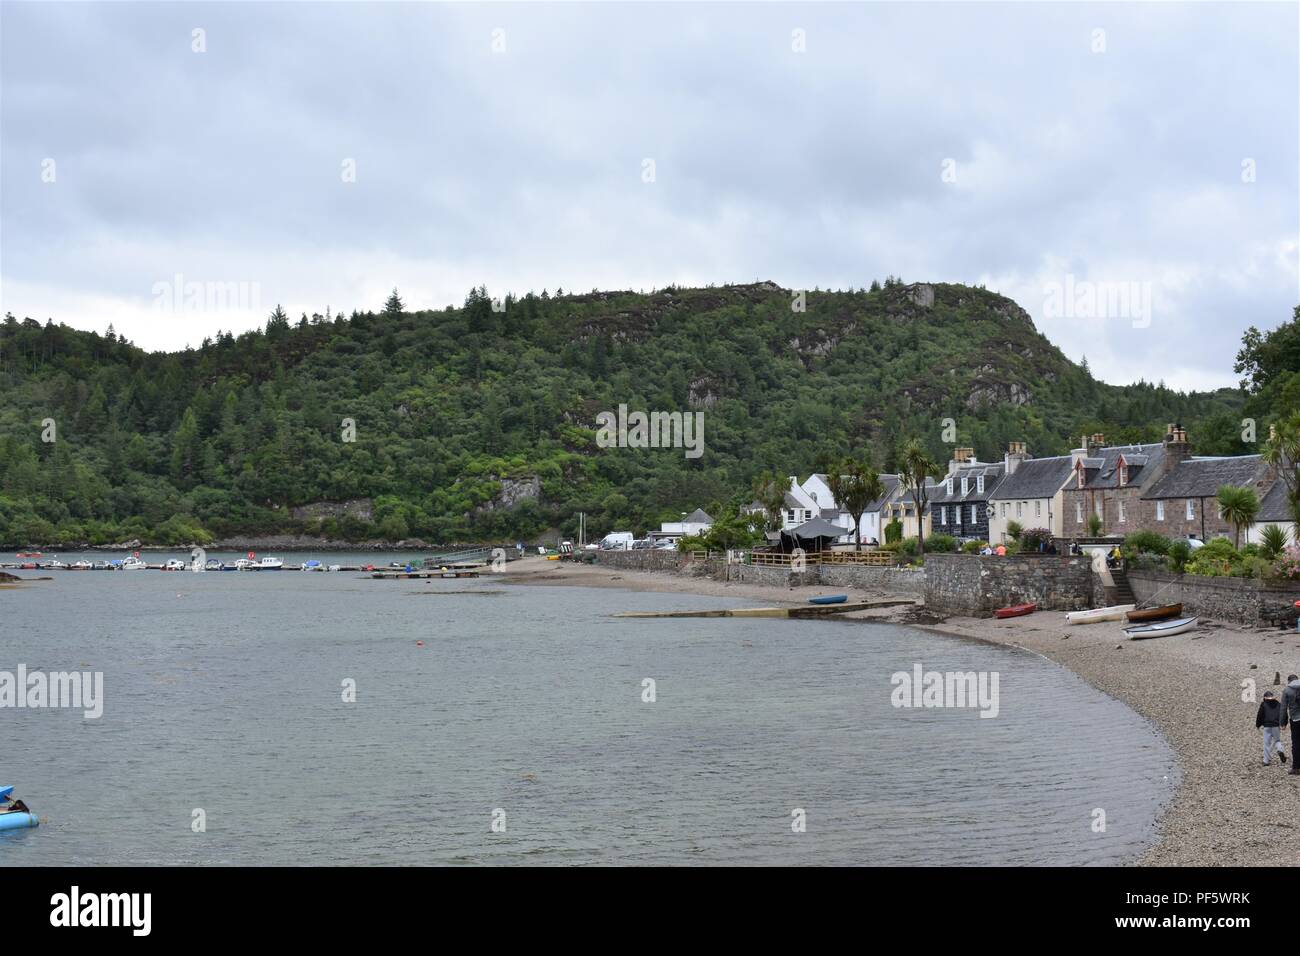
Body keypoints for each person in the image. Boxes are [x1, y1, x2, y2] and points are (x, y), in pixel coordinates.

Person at [1256, 691, 1287, 767]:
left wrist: (1258, 725)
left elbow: (1260, 715)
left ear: (1265, 697)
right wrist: (1284, 723)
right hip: (1276, 725)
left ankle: (1266, 761)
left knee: (1266, 743)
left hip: (1267, 726)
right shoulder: (1278, 704)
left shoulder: (1263, 704)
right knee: (1277, 740)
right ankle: (1280, 750)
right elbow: (1284, 713)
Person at [1283, 674, 1300, 776]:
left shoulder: (1287, 690)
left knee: (1296, 744)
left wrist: (1282, 723)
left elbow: (1283, 708)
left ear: (1289, 681)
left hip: (1295, 720)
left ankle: (1296, 768)